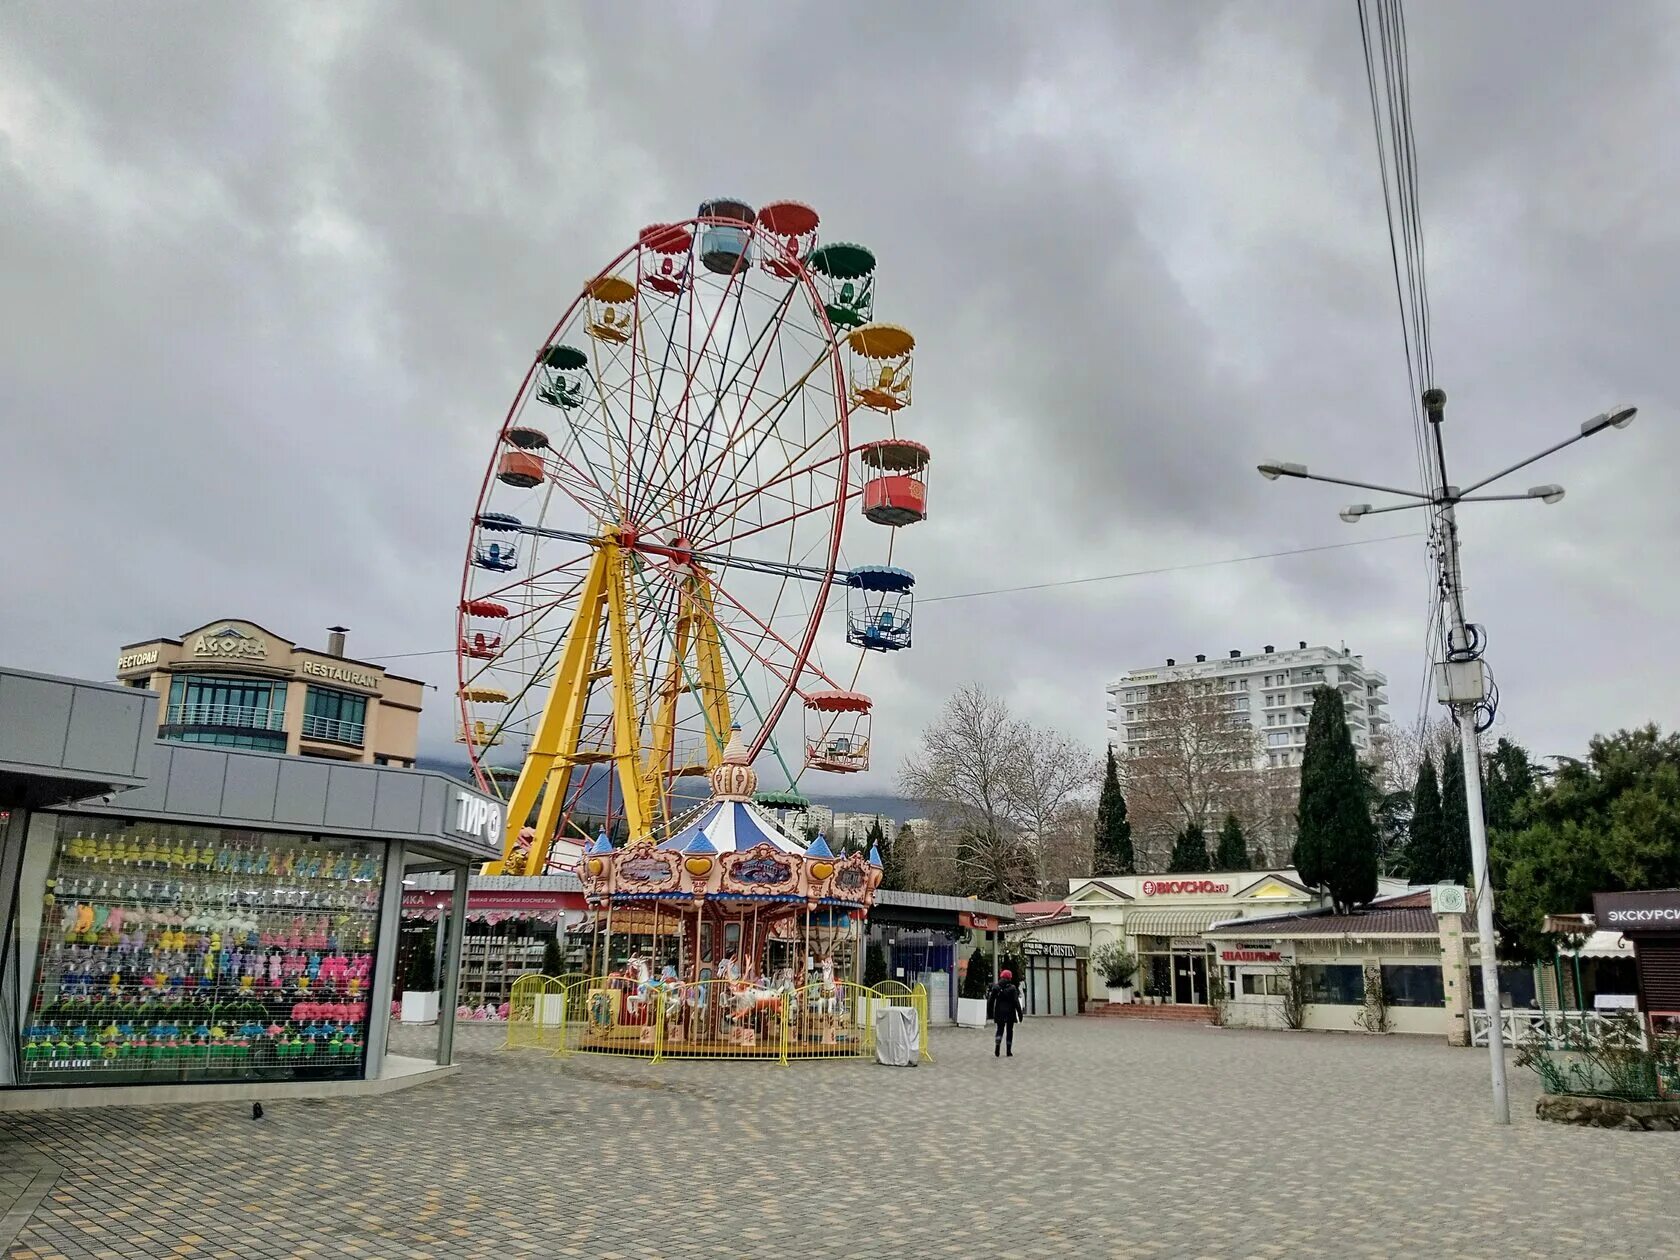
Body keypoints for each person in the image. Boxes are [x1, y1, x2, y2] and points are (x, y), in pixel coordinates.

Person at [987, 968, 1024, 1058]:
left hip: (999, 1012)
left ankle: (997, 1046)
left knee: (1000, 1029)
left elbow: (990, 1001)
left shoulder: (996, 987)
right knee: (1009, 1031)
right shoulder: (1012, 988)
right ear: (1010, 978)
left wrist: (990, 1013)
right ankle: (1008, 1051)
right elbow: (1016, 1002)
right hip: (1010, 1013)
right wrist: (1020, 1014)